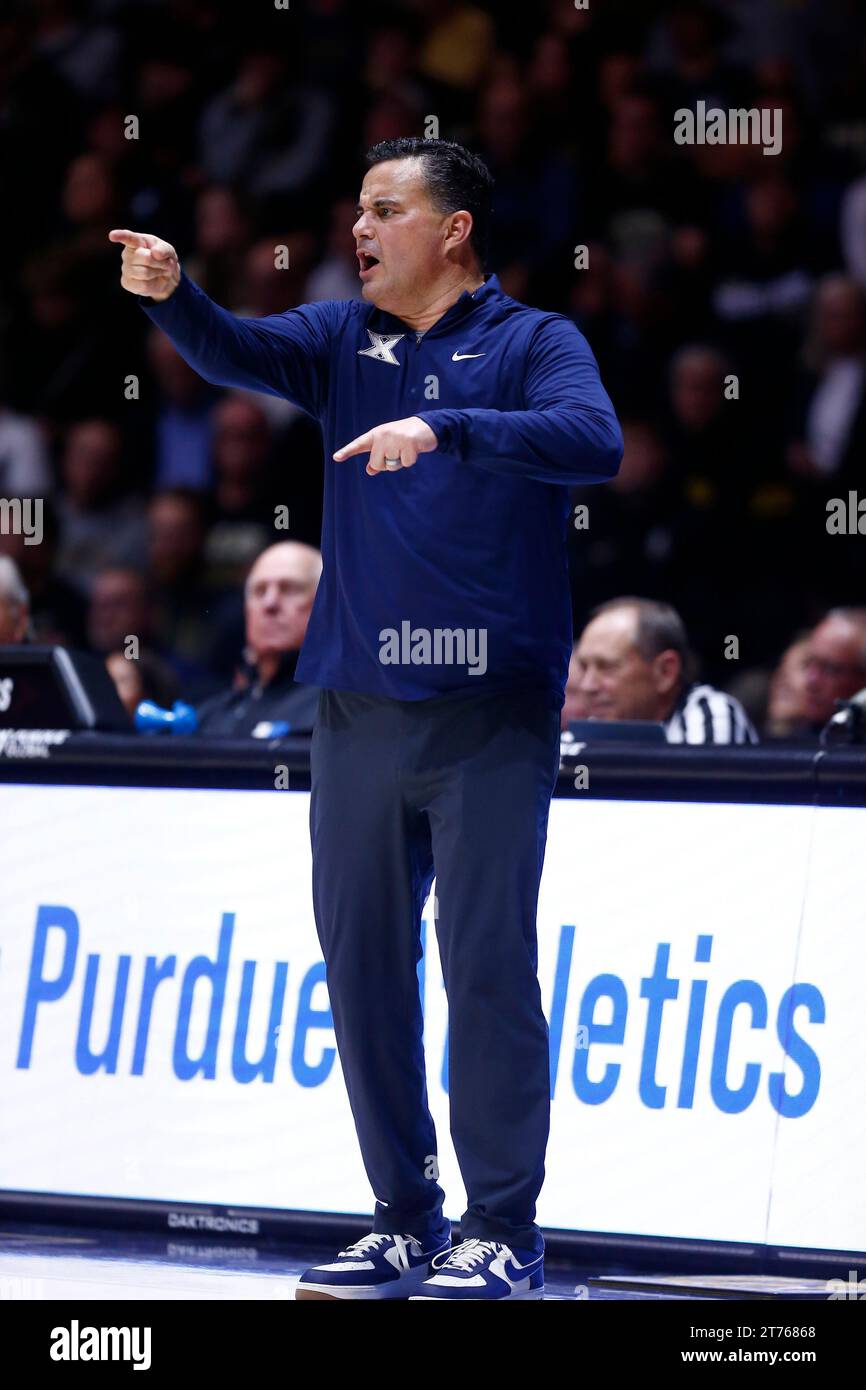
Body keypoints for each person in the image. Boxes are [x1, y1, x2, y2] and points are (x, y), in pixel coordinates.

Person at [109, 135, 622, 1301]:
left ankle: (503, 1230)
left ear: (453, 231)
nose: (358, 229)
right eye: (355, 209)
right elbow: (233, 348)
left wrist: (450, 425)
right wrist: (173, 293)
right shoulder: (343, 338)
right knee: (361, 968)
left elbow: (594, 444)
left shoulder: (535, 342)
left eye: (385, 210)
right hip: (353, 710)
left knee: (484, 965)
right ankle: (401, 1216)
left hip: (489, 708)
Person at [572, 597, 758, 744]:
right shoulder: (590, 726)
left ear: (665, 672)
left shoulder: (711, 714)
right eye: (583, 667)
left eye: (607, 667)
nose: (587, 686)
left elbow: (697, 791)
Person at [194, 541, 322, 737]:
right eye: (259, 591)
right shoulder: (211, 716)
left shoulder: (339, 712)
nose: (269, 603)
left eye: (289, 589)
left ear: (326, 604)